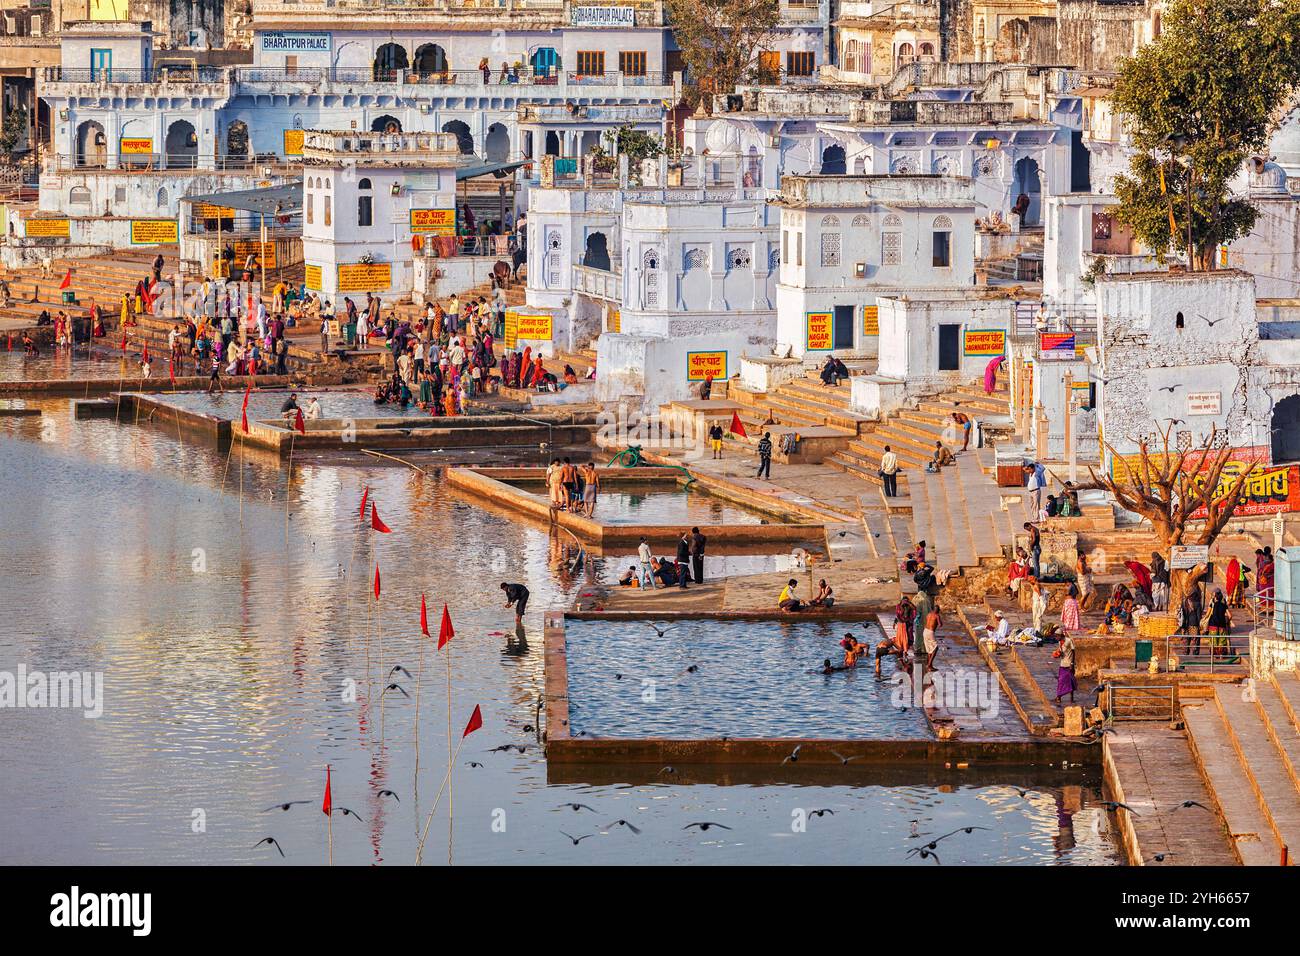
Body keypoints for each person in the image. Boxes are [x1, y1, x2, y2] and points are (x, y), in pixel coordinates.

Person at [1205, 589, 1232, 657]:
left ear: (1215, 597)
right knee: (1222, 640)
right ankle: (1221, 655)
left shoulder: (1212, 603)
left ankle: (1214, 655)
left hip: (1213, 624)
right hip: (1222, 625)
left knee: (1213, 640)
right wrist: (1227, 621)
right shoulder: (1224, 605)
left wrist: (1204, 619)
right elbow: (1230, 615)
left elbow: (1207, 614)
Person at [1055, 633, 1077, 704]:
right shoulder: (1059, 642)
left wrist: (1072, 664)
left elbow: (1073, 652)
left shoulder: (1069, 641)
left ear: (1060, 635)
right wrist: (1057, 654)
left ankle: (1071, 698)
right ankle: (1059, 696)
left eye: (1056, 636)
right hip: (1062, 664)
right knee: (1061, 681)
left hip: (1069, 664)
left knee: (1071, 682)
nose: (1056, 638)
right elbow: (1062, 652)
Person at [921, 604, 941, 670]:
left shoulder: (929, 614)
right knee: (935, 648)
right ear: (938, 611)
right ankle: (929, 664)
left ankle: (930, 666)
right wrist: (939, 620)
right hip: (930, 632)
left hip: (925, 631)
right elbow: (940, 625)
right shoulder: (937, 616)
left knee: (929, 650)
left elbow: (927, 621)